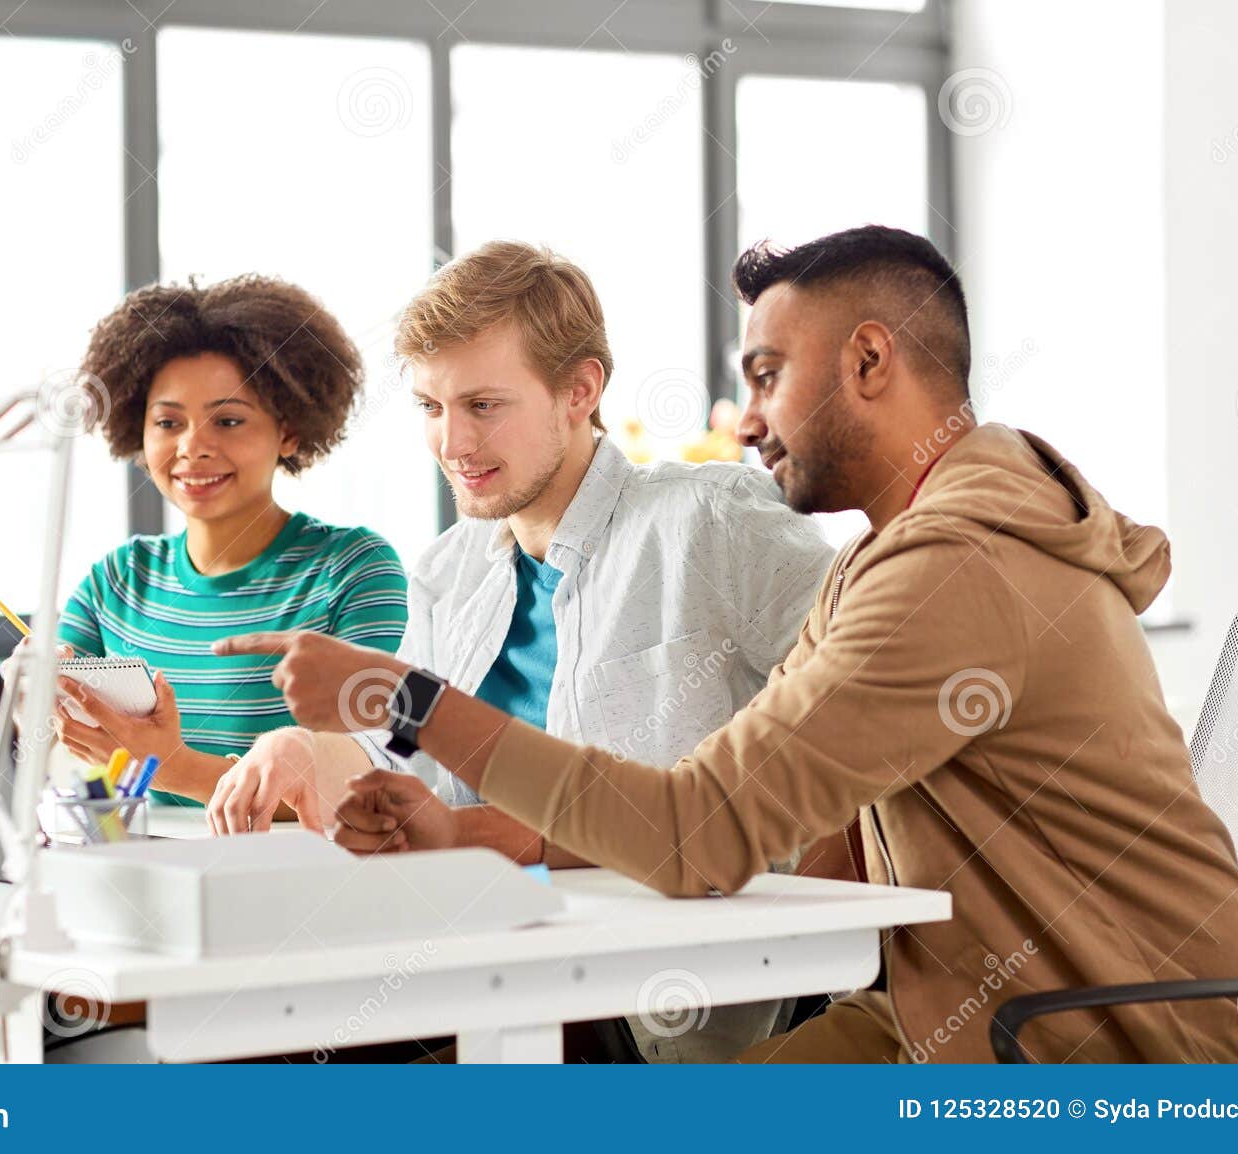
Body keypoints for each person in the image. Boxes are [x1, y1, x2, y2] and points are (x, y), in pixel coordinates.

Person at [218, 226, 1238, 1063]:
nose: (747, 413)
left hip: (1111, 1050)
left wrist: (406, 696)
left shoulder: (949, 571)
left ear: (870, 361)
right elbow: (728, 799)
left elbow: (701, 830)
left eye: (770, 373)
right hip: (963, 1013)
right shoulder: (901, 555)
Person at [207, 241, 833, 1060]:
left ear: (580, 391)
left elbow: (848, 756)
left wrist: (495, 838)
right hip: (472, 974)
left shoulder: (711, 525)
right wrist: (300, 751)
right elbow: (411, 787)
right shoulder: (447, 574)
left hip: (643, 1010)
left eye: (484, 404)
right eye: (431, 407)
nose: (451, 442)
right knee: (224, 1030)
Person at [47, 274, 408, 808]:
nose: (193, 447)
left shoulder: (354, 571)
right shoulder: (115, 582)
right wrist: (34, 698)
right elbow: (60, 744)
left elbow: (375, 780)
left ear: (287, 431)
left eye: (229, 420)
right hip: (148, 867)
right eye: (168, 421)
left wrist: (175, 769)